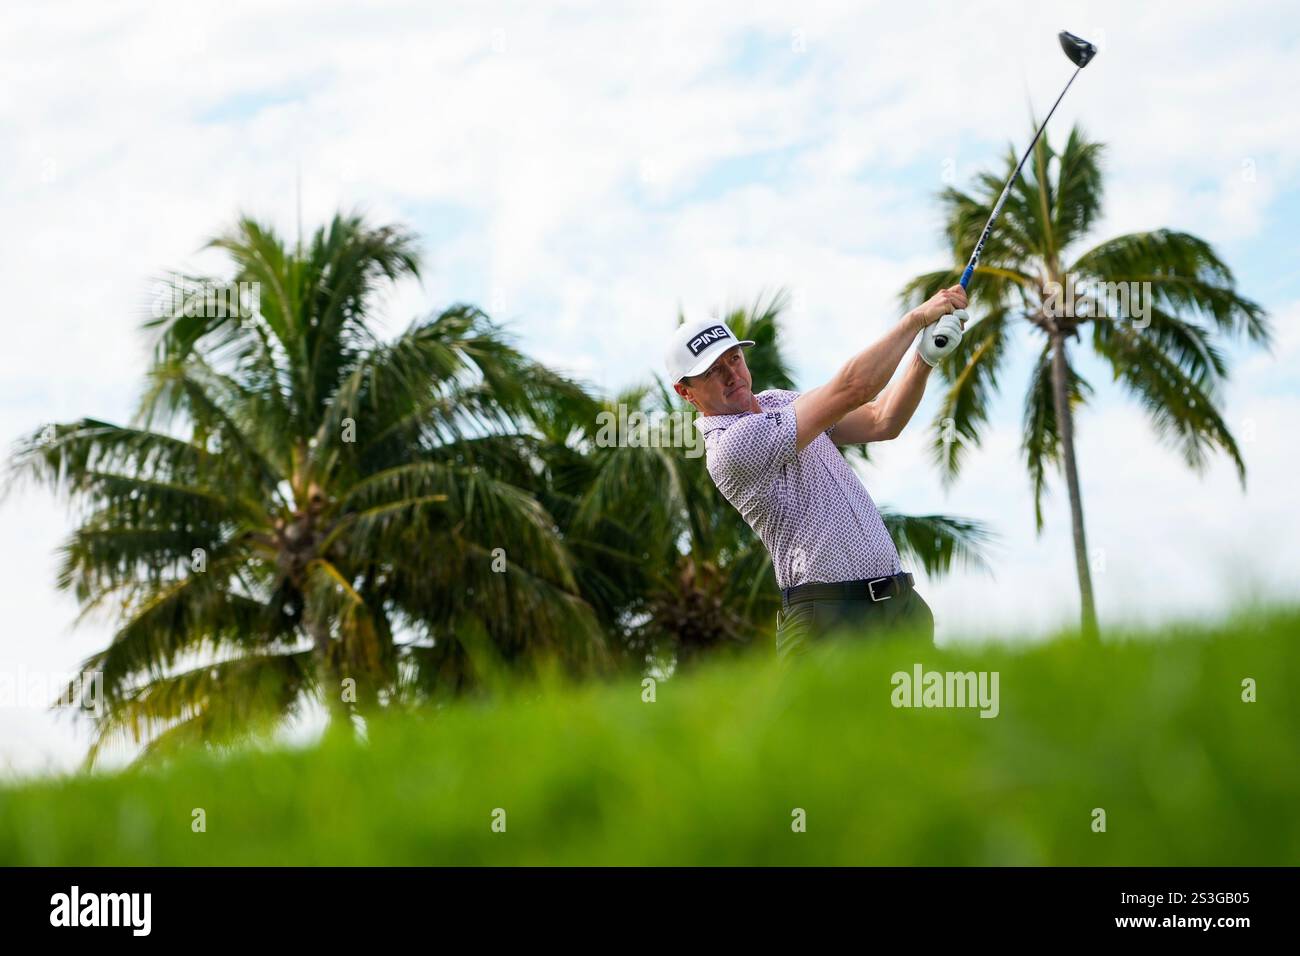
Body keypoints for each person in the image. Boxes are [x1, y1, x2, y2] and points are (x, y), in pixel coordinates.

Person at [665, 287, 968, 659]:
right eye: (713, 372)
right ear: (686, 392)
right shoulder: (731, 444)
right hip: (828, 617)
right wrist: (914, 320)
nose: (733, 375)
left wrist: (924, 357)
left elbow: (880, 420)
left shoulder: (779, 401)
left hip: (899, 605)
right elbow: (853, 388)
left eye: (734, 358)